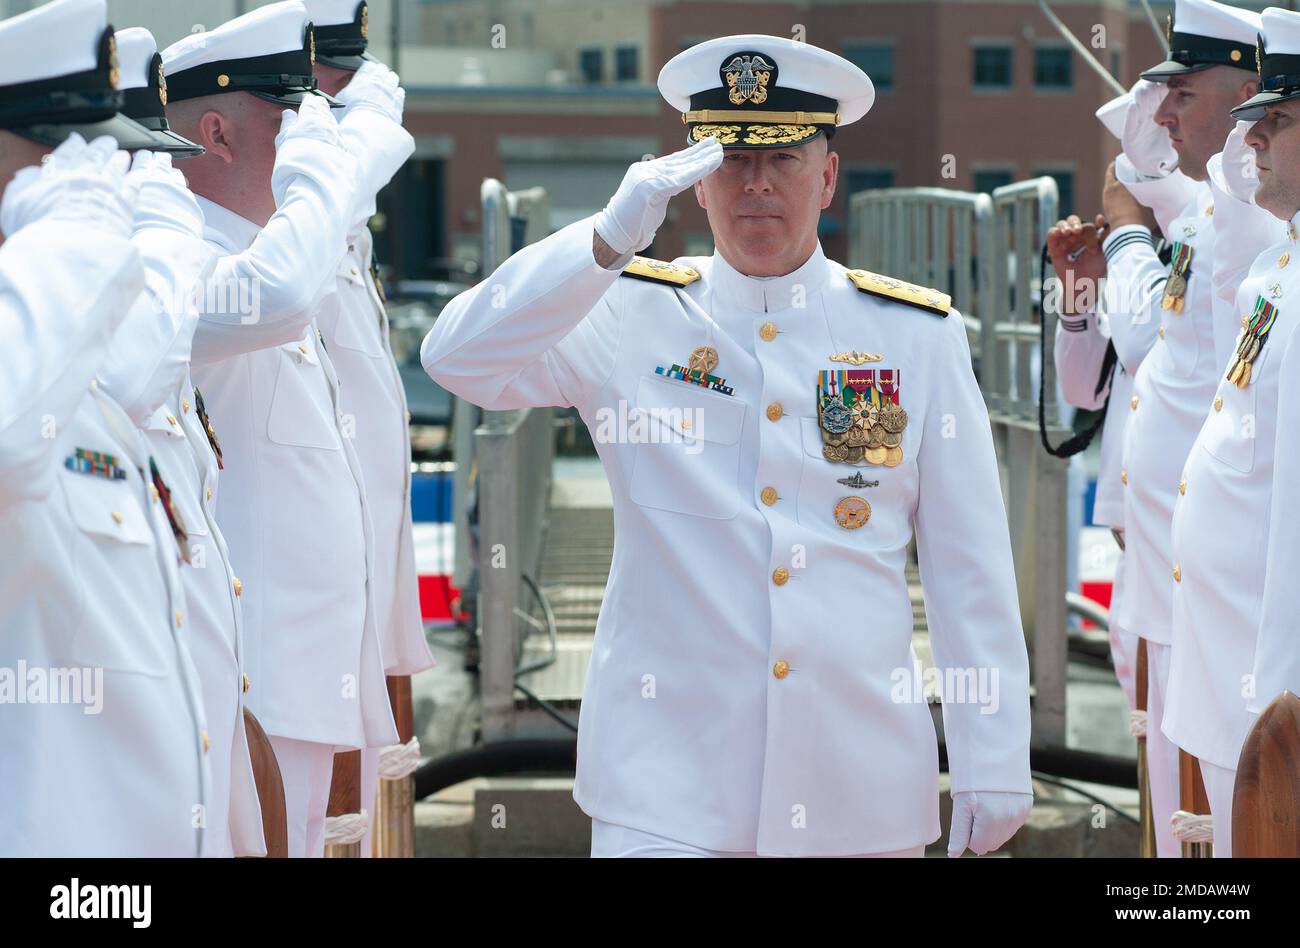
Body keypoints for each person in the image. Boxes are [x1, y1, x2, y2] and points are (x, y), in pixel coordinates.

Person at [422, 34, 1032, 858]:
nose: (755, 184)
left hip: (854, 786)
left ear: (827, 177)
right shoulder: (625, 312)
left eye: (782, 159)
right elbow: (456, 358)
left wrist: (994, 757)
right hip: (666, 787)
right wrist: (603, 242)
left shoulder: (914, 334)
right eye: (730, 158)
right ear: (695, 182)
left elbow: (969, 564)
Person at [161, 0, 398, 858]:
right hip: (243, 683)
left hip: (302, 682)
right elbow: (279, 295)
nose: (312, 135)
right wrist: (319, 172)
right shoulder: (182, 258)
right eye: (289, 118)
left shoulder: (266, 252)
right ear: (218, 135)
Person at [0, 0, 209, 857]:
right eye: (60, 153)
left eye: (104, 154)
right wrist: (75, 237)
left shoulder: (67, 361)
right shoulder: (38, 335)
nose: (94, 178)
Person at [1098, 0, 1259, 857]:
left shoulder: (1252, 222)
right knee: (1179, 814)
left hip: (1217, 579)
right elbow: (1139, 157)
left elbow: (1134, 337)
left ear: (1249, 99)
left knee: (1215, 813)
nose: (1164, 113)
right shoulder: (1208, 214)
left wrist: (1125, 234)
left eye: (1183, 93)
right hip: (1170, 560)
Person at [111, 24, 265, 859]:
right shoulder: (108, 321)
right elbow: (132, 374)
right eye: (126, 165)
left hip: (199, 754)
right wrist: (165, 228)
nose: (158, 182)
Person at [1167, 4, 1300, 857]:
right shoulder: (1277, 268)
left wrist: (1284, 724)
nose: (1251, 140)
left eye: (1277, 122)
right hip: (1224, 698)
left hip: (1268, 721)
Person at [304, 0, 433, 858]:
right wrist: (354, 140)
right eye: (332, 91)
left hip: (370, 604)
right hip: (307, 635)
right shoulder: (285, 239)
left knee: (378, 814)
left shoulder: (337, 230)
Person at [1047, 91, 1160, 715]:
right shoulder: (1137, 262)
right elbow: (1082, 390)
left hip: (1177, 551)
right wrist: (1079, 291)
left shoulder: (1200, 260)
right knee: (1157, 757)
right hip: (1134, 550)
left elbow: (1144, 339)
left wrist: (1126, 242)